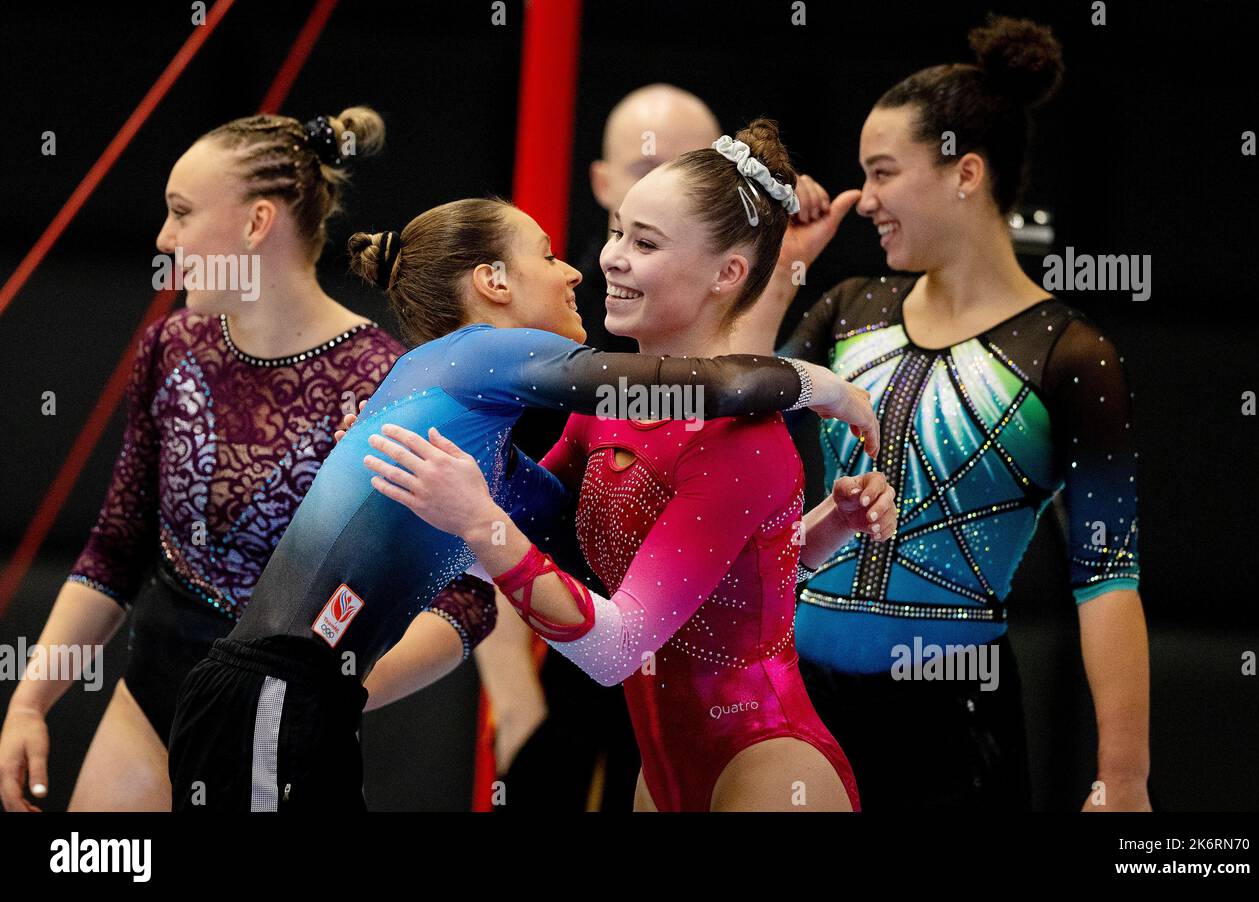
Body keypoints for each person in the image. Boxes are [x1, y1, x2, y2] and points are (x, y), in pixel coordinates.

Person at [166, 195, 878, 811]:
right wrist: (825, 387)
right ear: (494, 282)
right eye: (548, 254)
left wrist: (816, 527)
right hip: (271, 690)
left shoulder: (491, 466)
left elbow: (624, 572)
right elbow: (685, 383)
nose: (575, 271)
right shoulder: (472, 352)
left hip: (311, 703)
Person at [364, 121, 899, 811]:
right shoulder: (602, 404)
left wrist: (476, 520)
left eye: (644, 243)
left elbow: (617, 645)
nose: (609, 259)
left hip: (766, 762)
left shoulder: (741, 440)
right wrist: (415, 463)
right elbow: (545, 526)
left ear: (726, 274)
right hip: (661, 767)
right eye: (616, 232)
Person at [731, 15, 1151, 810]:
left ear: (966, 173)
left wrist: (1123, 778)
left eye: (884, 172)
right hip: (795, 704)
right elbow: (726, 405)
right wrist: (785, 268)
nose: (866, 201)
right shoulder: (849, 307)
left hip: (951, 721)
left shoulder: (1068, 355)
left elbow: (1107, 579)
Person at [0, 106, 465, 812]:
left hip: (278, 724)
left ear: (255, 224)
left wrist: (340, 685)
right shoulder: (172, 346)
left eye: (181, 213)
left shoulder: (385, 383)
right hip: (152, 693)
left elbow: (463, 596)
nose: (164, 238)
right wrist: (32, 699)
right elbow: (117, 547)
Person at [495, 83, 721, 811]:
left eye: (693, 169)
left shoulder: (749, 323)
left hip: (715, 677)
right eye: (645, 169)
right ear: (601, 184)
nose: (667, 190)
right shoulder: (548, 320)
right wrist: (518, 707)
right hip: (580, 661)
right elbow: (488, 515)